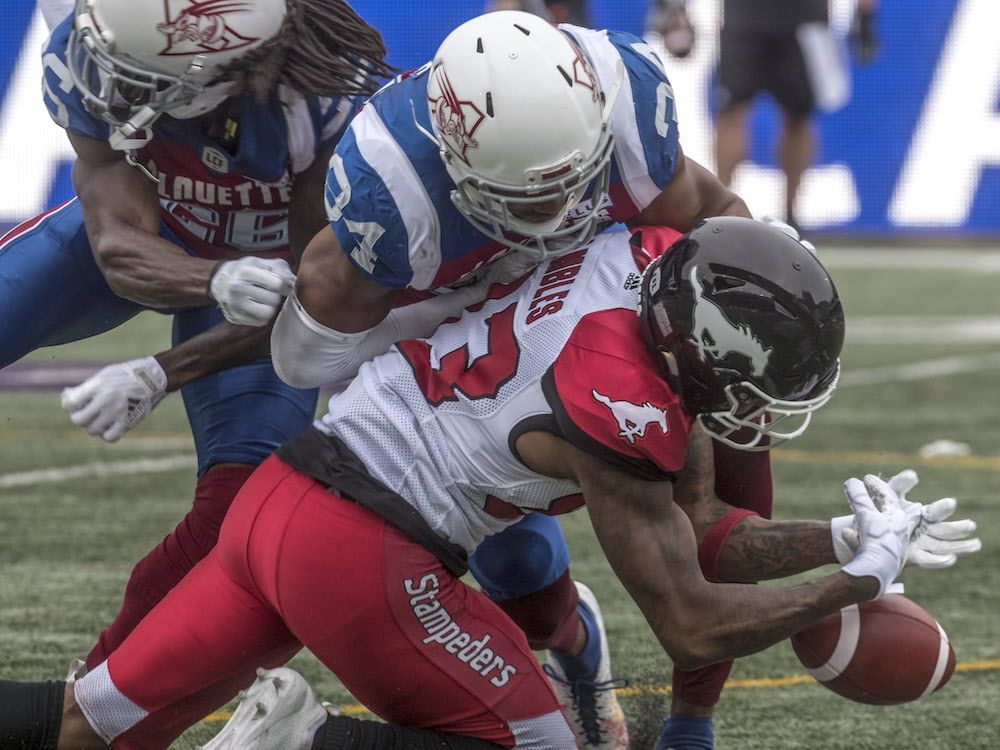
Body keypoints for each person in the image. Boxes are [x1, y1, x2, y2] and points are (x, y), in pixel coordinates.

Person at [0, 217, 980, 750]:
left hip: (279, 504)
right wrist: (854, 584)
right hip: (364, 553)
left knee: (93, 724)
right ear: (702, 352)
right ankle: (308, 742)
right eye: (757, 382)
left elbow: (706, 525)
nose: (760, 407)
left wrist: (838, 540)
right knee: (543, 748)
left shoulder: (635, 257)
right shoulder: (622, 406)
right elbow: (689, 620)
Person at [60, 9, 753, 746]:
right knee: (512, 567)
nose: (557, 214)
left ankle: (584, 650)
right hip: (429, 379)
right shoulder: (395, 193)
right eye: (526, 198)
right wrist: (166, 369)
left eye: (571, 184)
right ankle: (114, 700)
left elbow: (716, 216)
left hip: (560, 341)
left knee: (536, 580)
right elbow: (304, 355)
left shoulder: (626, 107)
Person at [0, 0, 392, 744]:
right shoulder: (86, 54)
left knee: (236, 519)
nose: (105, 82)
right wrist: (210, 279)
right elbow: (116, 246)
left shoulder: (319, 109)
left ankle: (91, 710)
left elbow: (317, 300)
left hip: (276, 278)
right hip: (162, 243)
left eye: (136, 74)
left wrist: (161, 371)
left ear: (219, 69)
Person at [707, 0, 876, 230]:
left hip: (798, 20)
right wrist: (865, 16)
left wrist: (865, 15)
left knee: (795, 116)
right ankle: (720, 209)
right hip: (753, 19)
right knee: (734, 113)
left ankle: (788, 213)